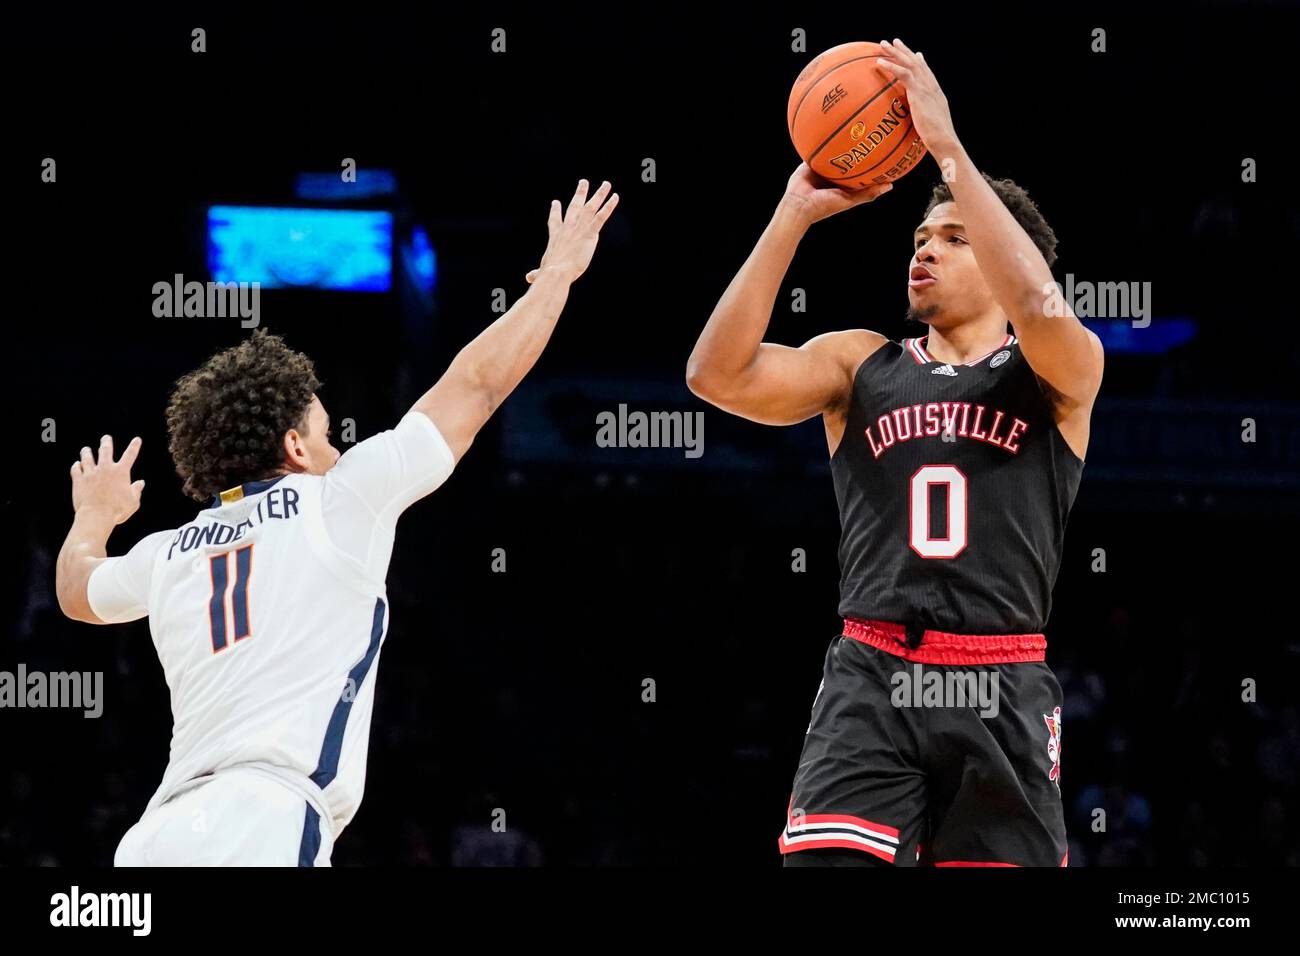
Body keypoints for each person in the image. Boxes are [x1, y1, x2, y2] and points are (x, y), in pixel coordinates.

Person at [54, 180, 619, 866]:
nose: (339, 450)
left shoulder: (168, 552)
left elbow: (77, 591)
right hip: (261, 822)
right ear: (294, 448)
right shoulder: (341, 500)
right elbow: (476, 385)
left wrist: (93, 517)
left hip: (151, 841)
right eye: (327, 435)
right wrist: (556, 276)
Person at [686, 39, 1103, 866]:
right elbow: (714, 375)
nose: (925, 249)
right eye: (919, 235)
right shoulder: (859, 364)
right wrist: (793, 214)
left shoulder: (1058, 368)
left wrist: (949, 148)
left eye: (952, 236)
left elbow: (1040, 303)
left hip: (1000, 680)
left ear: (1000, 253)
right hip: (872, 672)